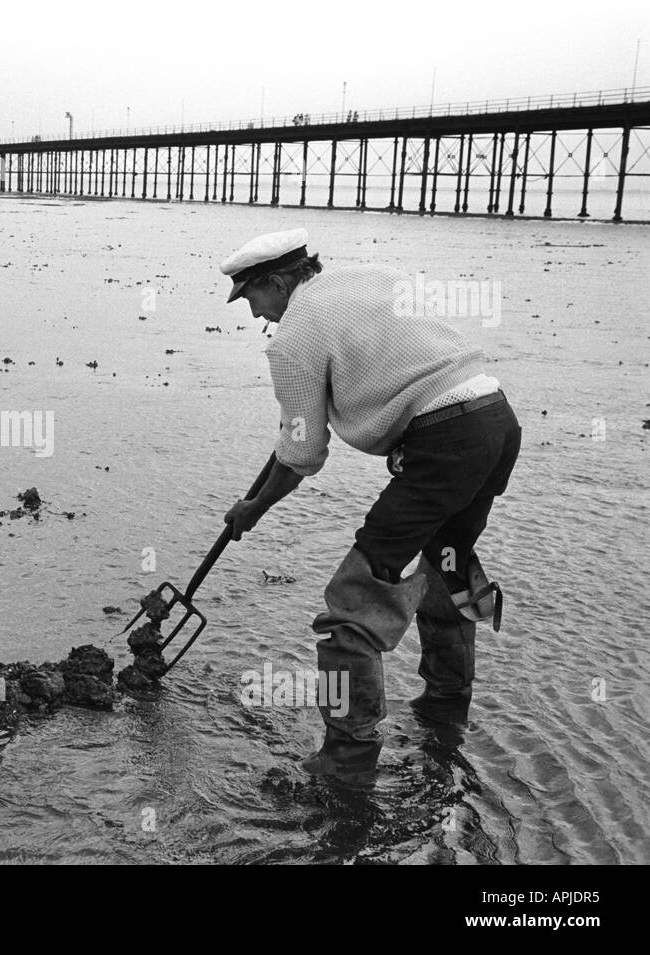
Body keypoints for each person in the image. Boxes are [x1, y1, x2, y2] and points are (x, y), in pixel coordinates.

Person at [219, 228, 521, 784]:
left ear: (279, 281)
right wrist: (268, 475)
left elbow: (304, 454)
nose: (256, 315)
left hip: (442, 443)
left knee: (349, 610)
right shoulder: (368, 277)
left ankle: (346, 759)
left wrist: (254, 509)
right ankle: (444, 709)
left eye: (252, 299)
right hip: (495, 420)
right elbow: (296, 438)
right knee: (444, 566)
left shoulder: (293, 338)